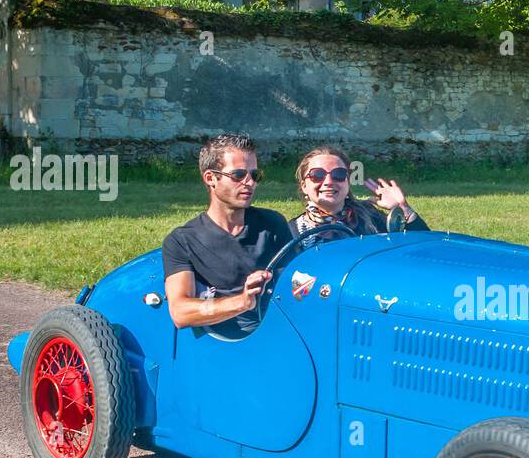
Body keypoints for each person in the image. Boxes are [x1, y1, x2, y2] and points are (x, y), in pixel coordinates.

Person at [162, 133, 291, 335]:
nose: (249, 183)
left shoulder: (273, 224)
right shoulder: (182, 241)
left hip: (280, 333)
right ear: (210, 178)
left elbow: (296, 283)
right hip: (226, 348)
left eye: (255, 175)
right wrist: (243, 301)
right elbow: (180, 312)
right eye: (238, 175)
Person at [293, 146, 429, 235]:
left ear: (348, 181)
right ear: (304, 185)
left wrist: (402, 208)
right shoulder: (294, 231)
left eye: (338, 174)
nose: (328, 182)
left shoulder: (370, 217)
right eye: (318, 175)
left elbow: (422, 249)